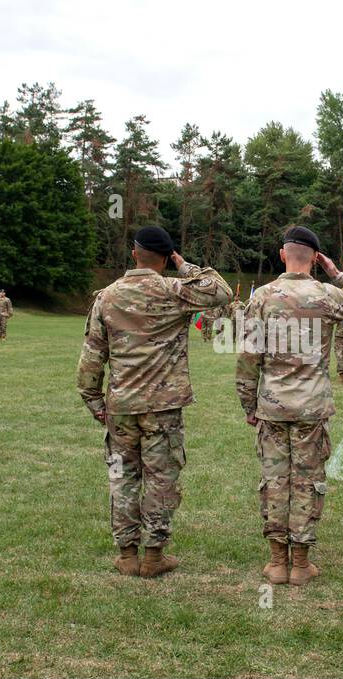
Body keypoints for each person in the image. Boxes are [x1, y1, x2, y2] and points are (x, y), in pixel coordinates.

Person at [77, 225, 232, 578]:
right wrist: (184, 264)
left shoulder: (108, 297)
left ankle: (127, 554)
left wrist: (93, 400)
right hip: (162, 407)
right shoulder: (174, 290)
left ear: (134, 254)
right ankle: (154, 555)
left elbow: (92, 356)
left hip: (120, 406)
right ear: (165, 258)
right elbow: (221, 291)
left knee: (122, 476)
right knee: (162, 478)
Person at [237, 226, 343, 587]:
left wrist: (248, 402)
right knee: (307, 482)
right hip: (311, 406)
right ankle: (300, 564)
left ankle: (276, 562)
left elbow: (248, 356)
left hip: (272, 404)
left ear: (283, 254)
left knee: (275, 480)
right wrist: (338, 274)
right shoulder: (327, 295)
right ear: (315, 257)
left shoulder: (263, 297)